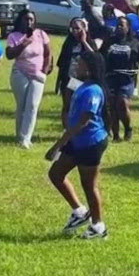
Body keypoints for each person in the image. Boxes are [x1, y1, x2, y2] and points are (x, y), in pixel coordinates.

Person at [47, 49, 111, 239]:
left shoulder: (93, 90)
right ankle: (80, 212)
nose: (76, 65)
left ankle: (99, 227)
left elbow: (83, 122)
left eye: (80, 62)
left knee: (89, 185)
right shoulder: (82, 85)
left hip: (91, 142)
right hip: (77, 140)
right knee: (56, 174)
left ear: (90, 68)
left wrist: (58, 145)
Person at [5, 10, 52, 149]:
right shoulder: (14, 36)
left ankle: (26, 138)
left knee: (32, 105)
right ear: (20, 20)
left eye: (31, 19)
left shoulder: (41, 34)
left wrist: (44, 70)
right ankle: (20, 135)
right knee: (22, 105)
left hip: (37, 75)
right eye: (26, 19)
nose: (29, 22)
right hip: (20, 73)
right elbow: (9, 55)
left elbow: (48, 54)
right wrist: (24, 44)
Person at [102, 16, 139, 142]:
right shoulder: (109, 41)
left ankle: (128, 128)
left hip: (127, 79)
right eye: (117, 25)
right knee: (112, 105)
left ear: (128, 28)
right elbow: (100, 56)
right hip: (111, 78)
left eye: (122, 25)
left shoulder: (134, 42)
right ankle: (116, 135)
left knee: (122, 104)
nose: (119, 27)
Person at [55, 17, 92, 119]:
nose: (75, 31)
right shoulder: (68, 43)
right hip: (69, 79)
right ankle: (68, 130)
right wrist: (59, 83)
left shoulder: (88, 43)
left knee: (81, 107)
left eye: (78, 28)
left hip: (84, 81)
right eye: (73, 28)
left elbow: (94, 58)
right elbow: (61, 63)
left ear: (84, 29)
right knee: (67, 106)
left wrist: (84, 41)